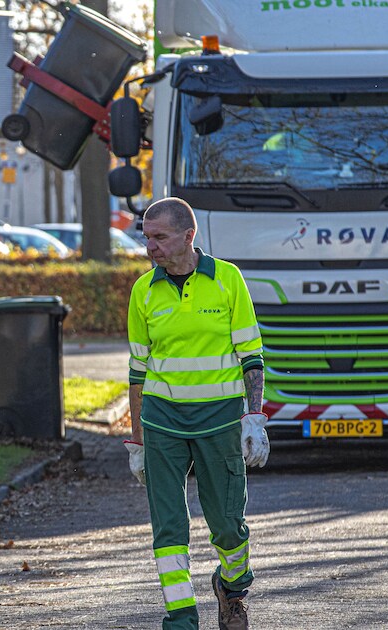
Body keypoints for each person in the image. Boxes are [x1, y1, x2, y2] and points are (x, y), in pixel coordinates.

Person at [123, 197, 269, 630]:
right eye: (146, 237)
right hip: (162, 422)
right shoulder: (143, 291)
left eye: (160, 237)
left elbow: (251, 356)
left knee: (227, 525)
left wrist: (254, 418)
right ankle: (182, 618)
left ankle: (232, 587)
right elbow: (137, 371)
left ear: (188, 236)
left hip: (219, 422)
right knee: (168, 529)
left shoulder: (227, 279)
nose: (150, 247)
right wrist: (137, 441)